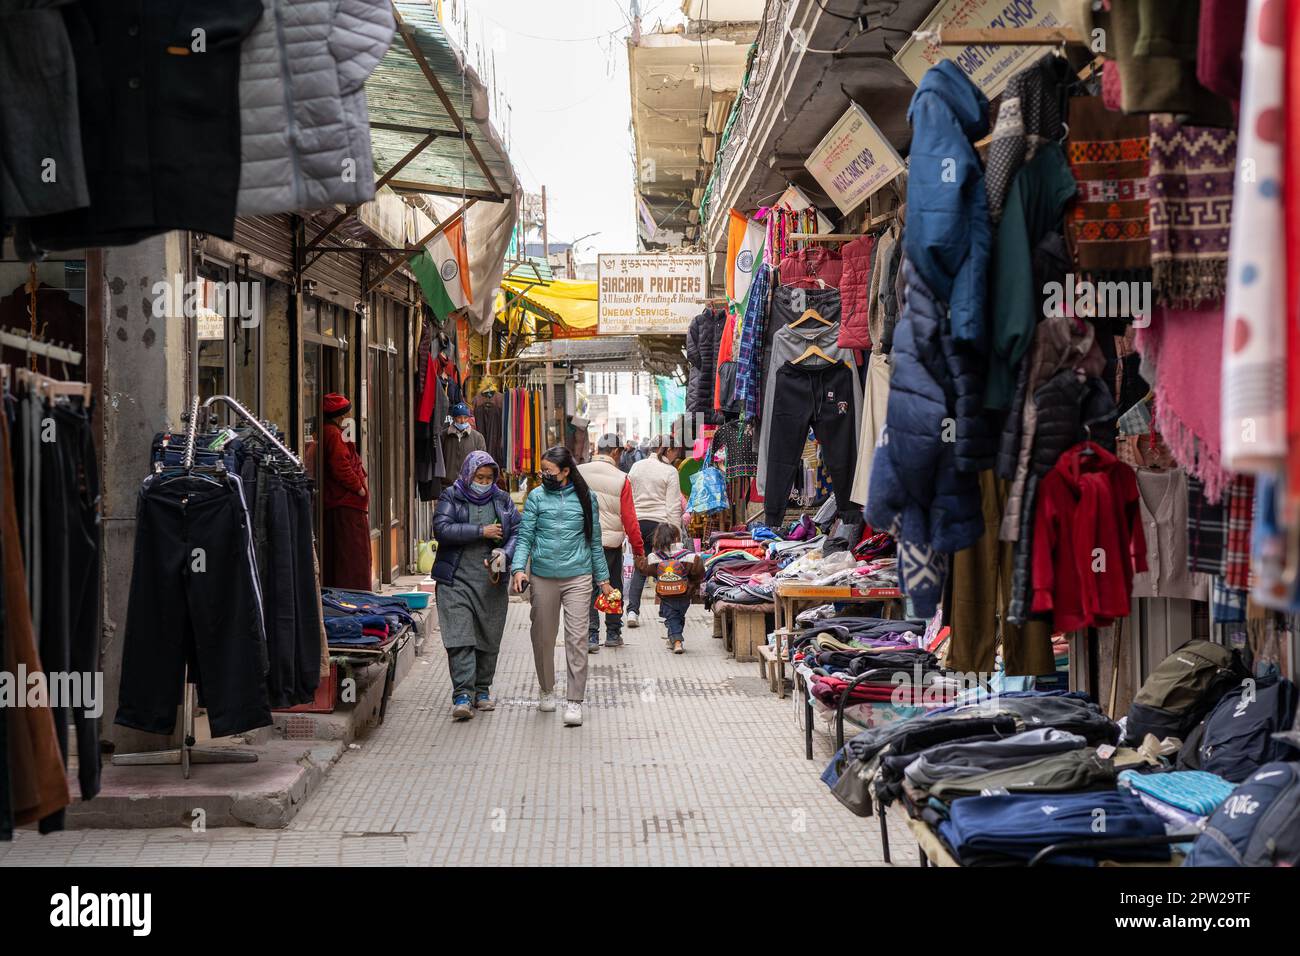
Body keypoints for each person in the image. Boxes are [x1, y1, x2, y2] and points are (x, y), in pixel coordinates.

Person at [511, 446, 614, 728]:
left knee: (577, 638)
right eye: (543, 471)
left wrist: (603, 580)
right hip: (543, 576)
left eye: (549, 472)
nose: (544, 475)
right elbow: (525, 538)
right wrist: (519, 569)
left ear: (566, 471)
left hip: (578, 577)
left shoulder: (586, 498)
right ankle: (546, 689)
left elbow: (594, 542)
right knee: (542, 636)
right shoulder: (535, 498)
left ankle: (574, 701)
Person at [432, 450, 519, 721]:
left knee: (488, 636)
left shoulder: (502, 500)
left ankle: (482, 691)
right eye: (478, 477)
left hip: (490, 581)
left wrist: (504, 552)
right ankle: (462, 694)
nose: (483, 482)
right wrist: (481, 531)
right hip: (455, 578)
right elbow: (442, 529)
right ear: (468, 474)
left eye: (488, 477)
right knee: (460, 637)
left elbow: (518, 532)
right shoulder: (451, 496)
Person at [577, 433, 646, 652]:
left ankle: (590, 635)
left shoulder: (578, 473)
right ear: (616, 452)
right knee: (613, 587)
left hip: (582, 541)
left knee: (588, 588)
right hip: (610, 544)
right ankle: (613, 633)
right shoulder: (620, 478)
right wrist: (638, 550)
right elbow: (629, 518)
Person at [625, 437, 684, 627]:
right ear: (667, 450)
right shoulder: (670, 471)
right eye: (676, 451)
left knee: (640, 568)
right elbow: (673, 507)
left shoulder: (636, 467)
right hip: (660, 525)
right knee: (665, 566)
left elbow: (629, 498)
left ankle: (632, 612)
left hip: (639, 523)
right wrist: (677, 536)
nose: (677, 456)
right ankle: (665, 611)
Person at [320, 392, 371, 589]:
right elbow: (340, 466)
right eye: (343, 414)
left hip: (344, 503)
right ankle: (355, 592)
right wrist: (358, 488)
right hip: (345, 503)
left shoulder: (330, 432)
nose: (345, 418)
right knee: (353, 554)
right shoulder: (332, 434)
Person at [642, 523, 703, 654]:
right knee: (678, 616)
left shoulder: (654, 557)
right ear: (677, 538)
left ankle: (677, 642)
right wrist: (693, 585)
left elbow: (645, 568)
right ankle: (673, 638)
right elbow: (699, 572)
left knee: (672, 617)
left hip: (666, 594)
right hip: (685, 594)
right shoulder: (690, 556)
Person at [440, 401, 486, 494]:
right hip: (447, 485)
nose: (462, 421)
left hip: (470, 486)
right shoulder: (443, 436)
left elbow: (482, 463)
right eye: (459, 417)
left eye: (465, 417)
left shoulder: (478, 437)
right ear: (454, 418)